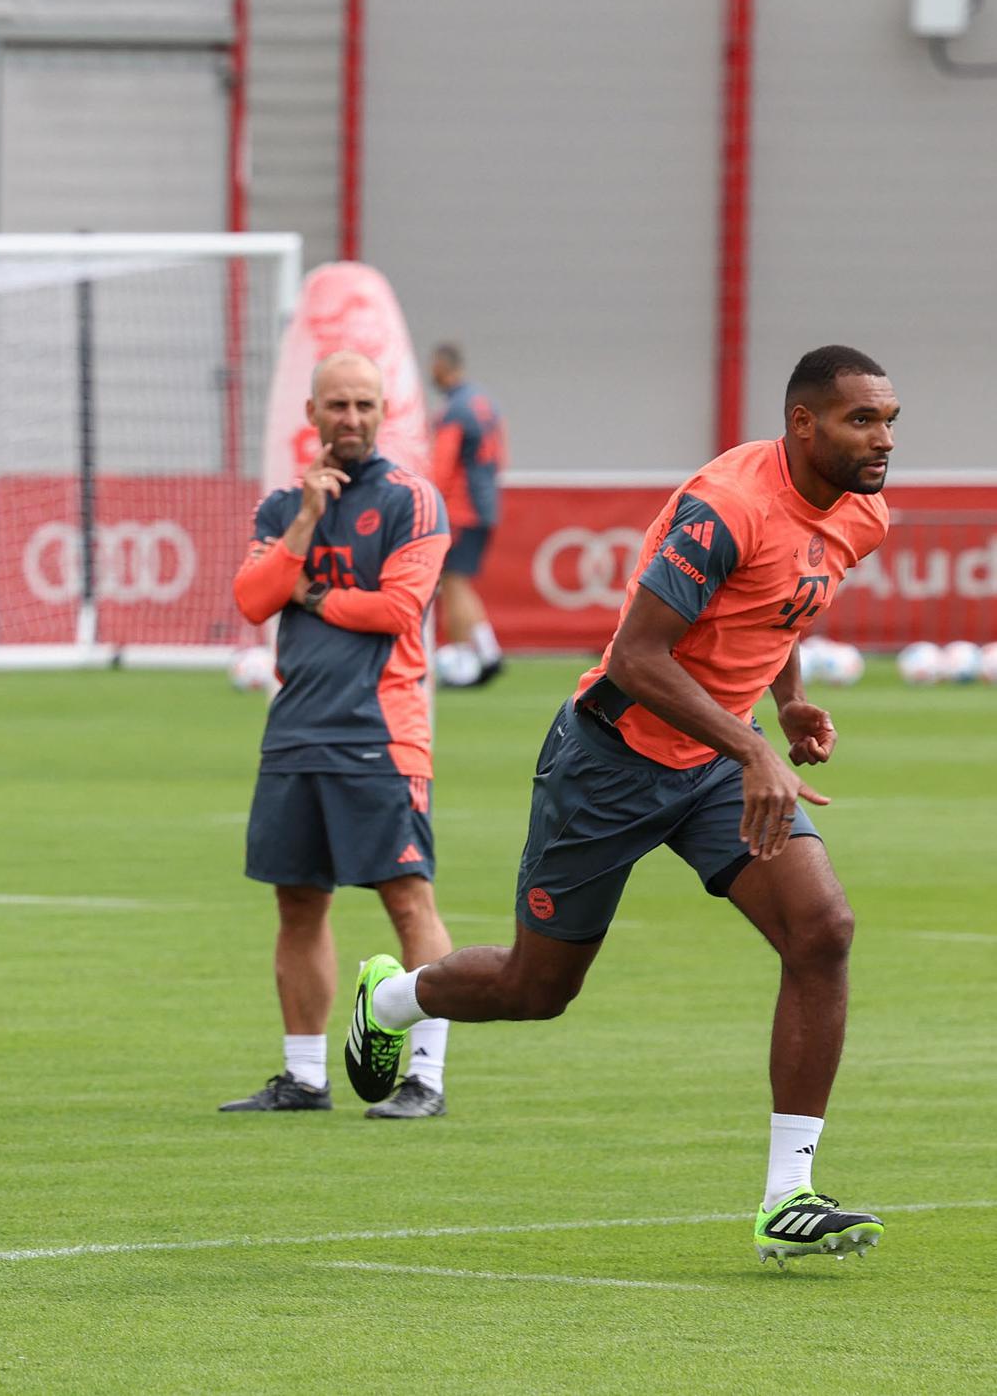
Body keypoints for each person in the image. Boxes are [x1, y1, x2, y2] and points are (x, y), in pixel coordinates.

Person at [349, 346, 896, 1263]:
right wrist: (754, 746)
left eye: (889, 421)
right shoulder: (724, 507)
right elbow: (638, 657)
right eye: (862, 421)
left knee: (823, 930)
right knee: (537, 990)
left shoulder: (863, 512)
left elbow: (778, 607)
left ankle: (787, 1196)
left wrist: (789, 701)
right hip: (610, 759)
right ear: (804, 424)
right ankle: (394, 998)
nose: (883, 440)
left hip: (716, 764)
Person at [225, 352, 454, 1121]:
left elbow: (398, 609)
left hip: (379, 733)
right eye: (337, 405)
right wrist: (304, 521)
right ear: (312, 414)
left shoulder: (411, 501)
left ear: (383, 411)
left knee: (408, 898)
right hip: (295, 732)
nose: (350, 418)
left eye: (363, 404)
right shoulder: (281, 508)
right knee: (297, 903)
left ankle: (426, 1077)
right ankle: (304, 1078)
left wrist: (313, 593)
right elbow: (254, 599)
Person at [425, 343, 507, 687]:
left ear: (443, 367)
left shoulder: (454, 410)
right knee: (459, 581)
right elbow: (500, 455)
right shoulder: (484, 403)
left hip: (460, 508)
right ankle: (488, 653)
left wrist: (429, 503)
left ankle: (463, 660)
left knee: (453, 582)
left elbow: (442, 466)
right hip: (484, 503)